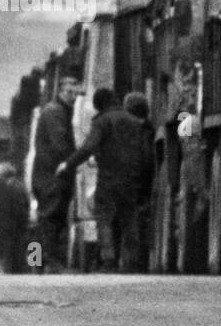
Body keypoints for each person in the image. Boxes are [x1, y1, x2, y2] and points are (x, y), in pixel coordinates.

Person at [57, 88, 151, 272]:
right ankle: (131, 262)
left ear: (98, 104)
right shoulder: (135, 122)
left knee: (104, 220)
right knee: (129, 220)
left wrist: (68, 164)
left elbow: (88, 148)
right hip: (131, 179)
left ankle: (109, 261)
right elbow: (145, 154)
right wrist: (141, 177)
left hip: (108, 178)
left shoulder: (102, 121)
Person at [31, 72, 81, 272]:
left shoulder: (57, 110)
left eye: (75, 93)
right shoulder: (55, 112)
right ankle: (46, 262)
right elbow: (59, 144)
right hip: (51, 175)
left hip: (47, 174)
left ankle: (37, 263)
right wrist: (73, 160)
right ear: (60, 91)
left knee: (47, 220)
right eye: (69, 92)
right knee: (50, 220)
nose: (73, 96)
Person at [123, 92, 155, 272]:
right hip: (145, 182)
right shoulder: (150, 130)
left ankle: (130, 263)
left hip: (131, 183)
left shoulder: (126, 129)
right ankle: (139, 261)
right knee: (141, 222)